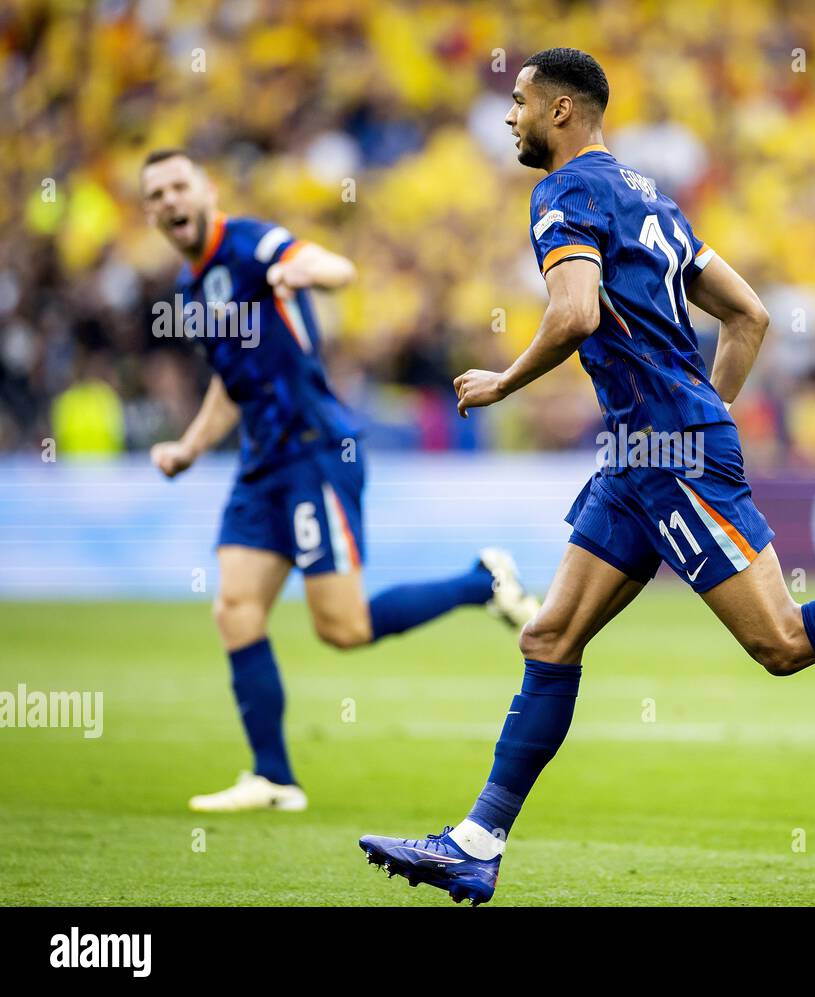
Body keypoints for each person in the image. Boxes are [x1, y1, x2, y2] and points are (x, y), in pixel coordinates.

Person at [357, 49, 815, 906]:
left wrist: (504, 382)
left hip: (662, 447)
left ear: (562, 112)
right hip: (642, 453)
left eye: (519, 101)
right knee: (549, 636)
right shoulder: (650, 198)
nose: (508, 117)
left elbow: (574, 314)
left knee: (781, 643)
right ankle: (475, 844)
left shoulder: (562, 193)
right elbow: (748, 314)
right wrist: (699, 412)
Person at [141, 150, 539, 812]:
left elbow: (339, 267)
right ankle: (273, 777)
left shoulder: (249, 243)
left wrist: (305, 268)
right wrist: (187, 446)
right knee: (235, 609)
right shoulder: (190, 291)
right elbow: (231, 384)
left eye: (179, 184)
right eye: (155, 194)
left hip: (316, 451)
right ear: (150, 210)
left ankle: (482, 580)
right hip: (260, 462)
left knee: (343, 627)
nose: (169, 200)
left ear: (207, 188)